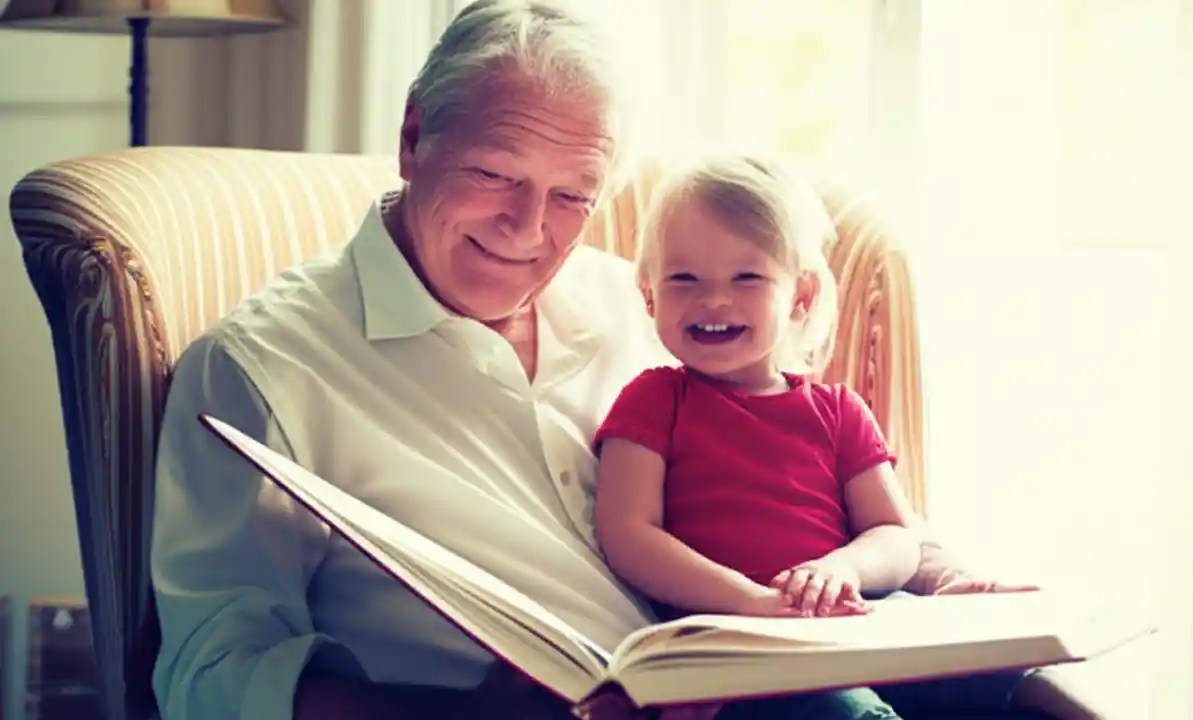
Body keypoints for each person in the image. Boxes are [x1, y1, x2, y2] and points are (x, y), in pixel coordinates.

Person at [149, 1, 1113, 718]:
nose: (530, 230)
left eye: (574, 194)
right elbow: (214, 670)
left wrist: (943, 578)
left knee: (1049, 699)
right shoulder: (263, 366)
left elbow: (822, 486)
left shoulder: (644, 301)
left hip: (770, 666)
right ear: (413, 138)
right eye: (494, 174)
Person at [592, 156, 1112, 720]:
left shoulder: (839, 411)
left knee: (1024, 693)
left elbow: (896, 534)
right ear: (649, 296)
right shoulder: (654, 401)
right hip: (740, 653)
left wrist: (842, 569)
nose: (714, 299)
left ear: (801, 296)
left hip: (859, 630)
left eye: (747, 277)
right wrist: (750, 601)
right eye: (683, 279)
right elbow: (627, 533)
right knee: (846, 713)